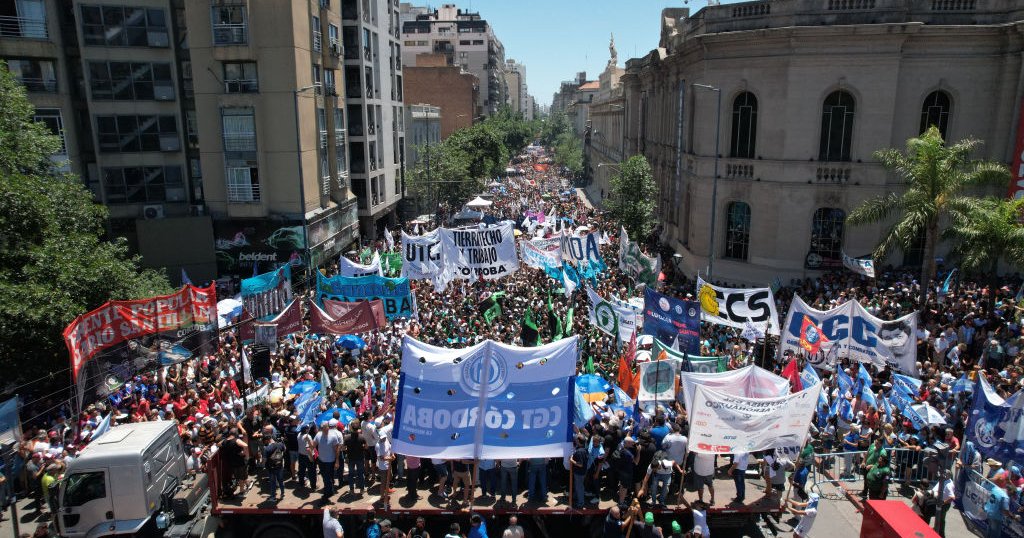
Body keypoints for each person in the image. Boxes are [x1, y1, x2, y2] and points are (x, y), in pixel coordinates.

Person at [314, 422, 343, 500]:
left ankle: (326, 495)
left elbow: (336, 450)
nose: (324, 429)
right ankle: (330, 490)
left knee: (327, 478)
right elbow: (313, 445)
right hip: (321, 461)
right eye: (323, 428)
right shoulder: (318, 435)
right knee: (325, 477)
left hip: (330, 461)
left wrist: (337, 461)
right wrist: (308, 441)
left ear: (328, 427)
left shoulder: (333, 436)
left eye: (326, 427)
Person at [262, 431, 287, 501]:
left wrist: (263, 465)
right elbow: (285, 449)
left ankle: (273, 497)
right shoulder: (280, 444)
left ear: (267, 440)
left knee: (273, 483)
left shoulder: (267, 449)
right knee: (281, 480)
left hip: (271, 468)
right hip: (280, 466)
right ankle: (282, 493)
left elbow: (264, 460)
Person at [932, 470, 955, 537]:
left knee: (941, 520)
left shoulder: (949, 485)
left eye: (943, 474)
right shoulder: (943, 480)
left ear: (947, 476)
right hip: (938, 501)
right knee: (938, 518)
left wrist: (943, 502)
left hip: (943, 505)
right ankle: (936, 530)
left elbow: (952, 497)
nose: (941, 475)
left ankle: (941, 535)